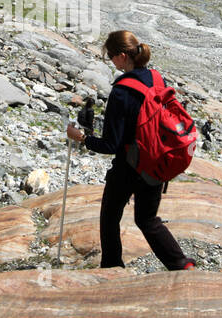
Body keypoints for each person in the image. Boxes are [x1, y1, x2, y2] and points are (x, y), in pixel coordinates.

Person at [66, 31, 193, 271]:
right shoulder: (156, 78)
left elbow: (110, 145)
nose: (111, 61)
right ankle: (180, 263)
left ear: (123, 56)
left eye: (112, 56)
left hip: (128, 166)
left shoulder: (121, 91)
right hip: (157, 160)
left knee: (110, 217)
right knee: (147, 219)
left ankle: (112, 267)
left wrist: (82, 138)